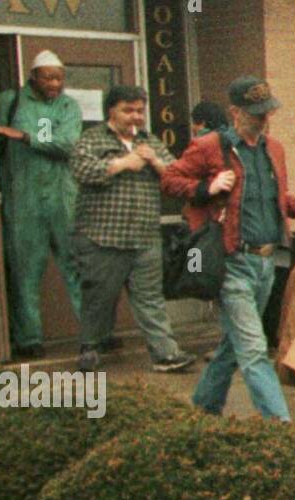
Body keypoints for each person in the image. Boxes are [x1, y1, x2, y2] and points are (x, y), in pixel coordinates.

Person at [161, 76, 295, 421]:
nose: (264, 119)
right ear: (235, 112)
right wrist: (206, 187)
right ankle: (280, 425)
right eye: (256, 113)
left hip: (266, 262)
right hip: (231, 261)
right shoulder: (210, 147)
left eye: (267, 112)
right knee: (255, 349)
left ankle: (202, 408)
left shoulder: (274, 150)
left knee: (235, 343)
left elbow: (279, 199)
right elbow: (169, 179)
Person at [69, 84, 194, 373]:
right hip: (102, 236)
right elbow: (82, 171)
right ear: (111, 110)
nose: (136, 116)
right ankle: (90, 346)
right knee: (99, 296)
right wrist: (124, 163)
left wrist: (153, 160)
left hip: (145, 235)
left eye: (140, 110)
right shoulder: (92, 139)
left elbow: (177, 179)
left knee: (150, 298)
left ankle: (166, 354)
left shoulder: (150, 141)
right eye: (128, 110)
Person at [0, 51, 84, 360]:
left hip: (62, 200)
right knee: (25, 271)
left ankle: (94, 334)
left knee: (76, 267)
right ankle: (28, 338)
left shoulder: (69, 106)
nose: (55, 83)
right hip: (23, 199)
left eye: (59, 77)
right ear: (32, 77)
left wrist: (25, 137)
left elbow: (68, 144)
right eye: (48, 77)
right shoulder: (9, 102)